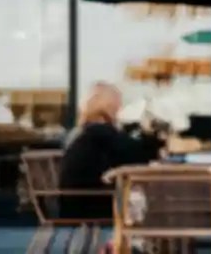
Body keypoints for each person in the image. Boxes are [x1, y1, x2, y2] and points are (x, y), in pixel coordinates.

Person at [58, 82, 157, 221]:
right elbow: (138, 155)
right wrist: (151, 136)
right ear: (110, 106)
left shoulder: (83, 131)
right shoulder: (100, 132)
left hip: (77, 203)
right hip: (94, 206)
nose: (120, 108)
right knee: (152, 199)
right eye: (118, 104)